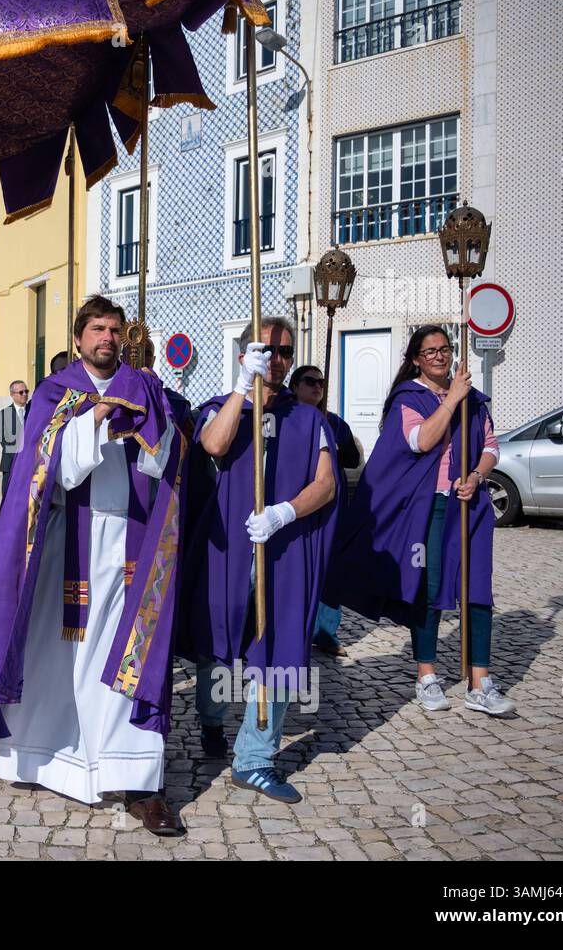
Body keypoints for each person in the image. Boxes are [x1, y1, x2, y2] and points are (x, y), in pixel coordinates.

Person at [0, 296, 186, 834]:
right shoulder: (55, 393)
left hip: (130, 538)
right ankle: (44, 755)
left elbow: (164, 457)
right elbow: (48, 466)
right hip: (65, 540)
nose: (107, 337)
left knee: (130, 654)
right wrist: (98, 417)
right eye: (97, 328)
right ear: (79, 337)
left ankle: (139, 782)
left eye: (115, 329)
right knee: (61, 657)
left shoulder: (143, 384)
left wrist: (150, 417)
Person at [185, 316, 338, 805]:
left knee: (283, 645)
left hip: (284, 546)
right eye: (266, 351)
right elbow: (214, 444)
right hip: (228, 544)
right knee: (218, 639)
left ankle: (254, 758)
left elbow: (327, 483)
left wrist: (284, 512)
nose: (277, 360)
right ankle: (211, 721)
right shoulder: (223, 406)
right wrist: (240, 391)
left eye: (285, 352)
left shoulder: (308, 416)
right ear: (244, 355)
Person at [327, 325, 514, 717]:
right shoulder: (409, 398)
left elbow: (492, 446)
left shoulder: (474, 400)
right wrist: (452, 400)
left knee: (478, 589)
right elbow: (421, 441)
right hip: (430, 507)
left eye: (444, 349)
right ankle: (426, 674)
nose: (439, 356)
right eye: (429, 351)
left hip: (471, 503)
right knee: (426, 588)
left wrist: (477, 475)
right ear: (416, 359)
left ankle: (480, 681)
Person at [289, 364, 360, 656]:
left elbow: (353, 459)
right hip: (296, 503)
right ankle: (293, 630)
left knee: (330, 570)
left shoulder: (335, 423)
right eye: (310, 381)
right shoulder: (286, 418)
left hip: (330, 506)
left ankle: (326, 632)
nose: (317, 386)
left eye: (321, 382)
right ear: (295, 386)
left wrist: (330, 445)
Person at [0, 380, 29, 505]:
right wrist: (19, 458)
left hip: (31, 465)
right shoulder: (5, 413)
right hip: (11, 463)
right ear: (12, 394)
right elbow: (4, 441)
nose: (25, 394)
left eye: (26, 391)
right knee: (9, 502)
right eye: (21, 392)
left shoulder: (33, 411)